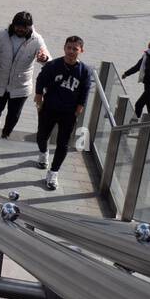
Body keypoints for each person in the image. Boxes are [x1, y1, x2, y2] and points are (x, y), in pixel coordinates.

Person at [34, 36, 94, 190]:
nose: (71, 51)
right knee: (41, 136)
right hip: (49, 108)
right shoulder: (53, 65)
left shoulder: (85, 71)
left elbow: (85, 90)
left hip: (68, 112)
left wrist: (79, 108)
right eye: (69, 47)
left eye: (75, 49)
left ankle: (53, 172)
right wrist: (39, 96)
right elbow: (40, 80)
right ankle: (43, 152)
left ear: (81, 50)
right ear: (64, 48)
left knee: (63, 144)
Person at [0, 10, 49, 138]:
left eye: (24, 27)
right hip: (0, 82)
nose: (20, 29)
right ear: (13, 24)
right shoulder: (2, 35)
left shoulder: (37, 40)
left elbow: (48, 59)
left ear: (30, 27)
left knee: (14, 115)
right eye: (18, 26)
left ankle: (6, 133)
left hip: (21, 86)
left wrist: (44, 58)